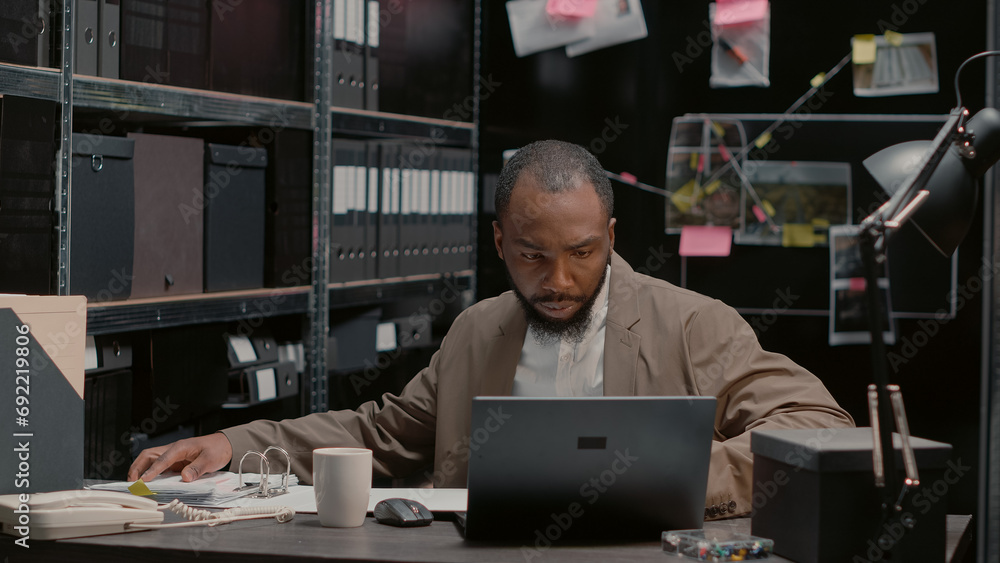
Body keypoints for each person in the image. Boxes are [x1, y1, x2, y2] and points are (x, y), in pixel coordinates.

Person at [129, 140, 854, 518]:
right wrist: (234, 442)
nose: (560, 281)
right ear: (500, 242)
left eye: (582, 254)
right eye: (535, 256)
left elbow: (821, 424)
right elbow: (380, 434)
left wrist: (677, 473)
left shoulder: (691, 324)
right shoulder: (477, 332)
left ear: (610, 233)